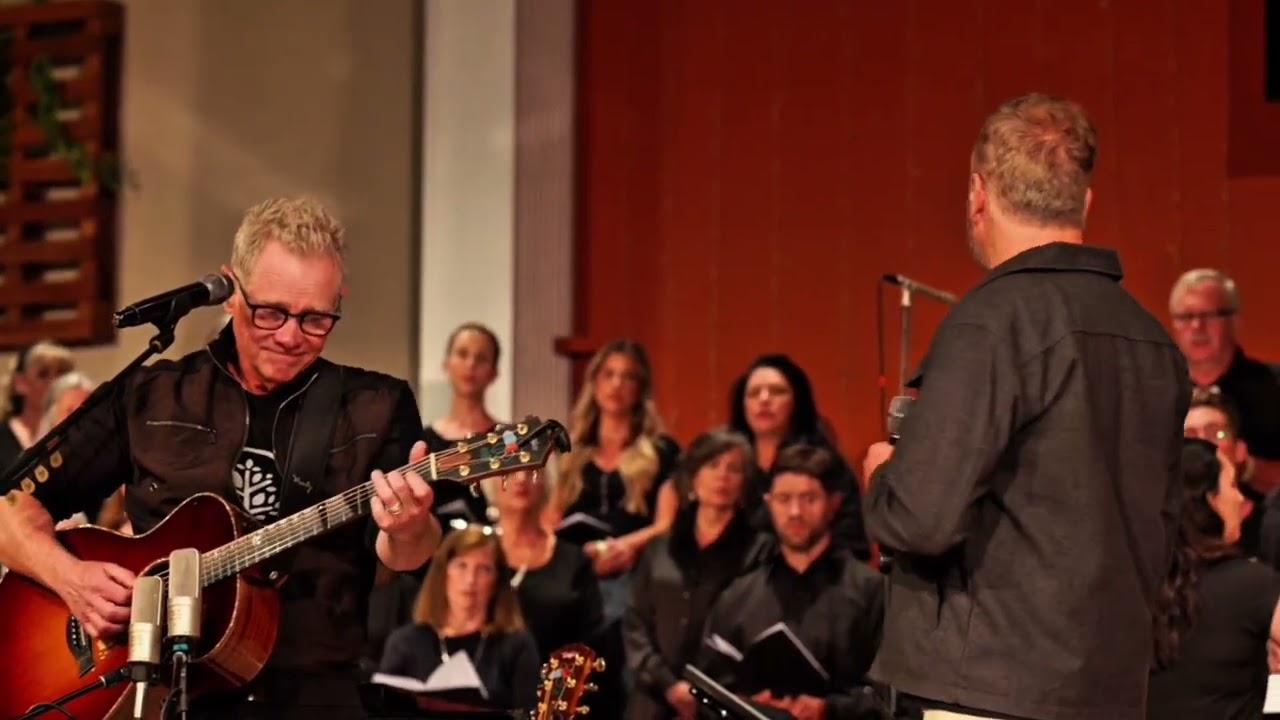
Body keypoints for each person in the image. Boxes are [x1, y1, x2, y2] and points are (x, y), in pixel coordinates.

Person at [0, 196, 441, 719]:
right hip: (159, 697)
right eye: (271, 312)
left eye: (316, 319)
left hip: (314, 694)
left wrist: (409, 527)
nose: (291, 336)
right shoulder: (152, 395)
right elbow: (10, 509)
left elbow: (408, 553)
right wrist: (73, 582)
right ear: (231, 292)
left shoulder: (375, 407)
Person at [861, 93, 1190, 720]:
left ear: (977, 194)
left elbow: (921, 520)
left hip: (986, 688)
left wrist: (880, 475)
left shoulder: (989, 323)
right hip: (1111, 690)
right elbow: (1162, 536)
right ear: (1084, 202)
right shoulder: (1154, 343)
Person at [1146, 438, 1280, 719]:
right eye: (1230, 485)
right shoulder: (1253, 585)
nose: (1240, 497)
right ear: (1210, 500)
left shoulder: (1128, 585)